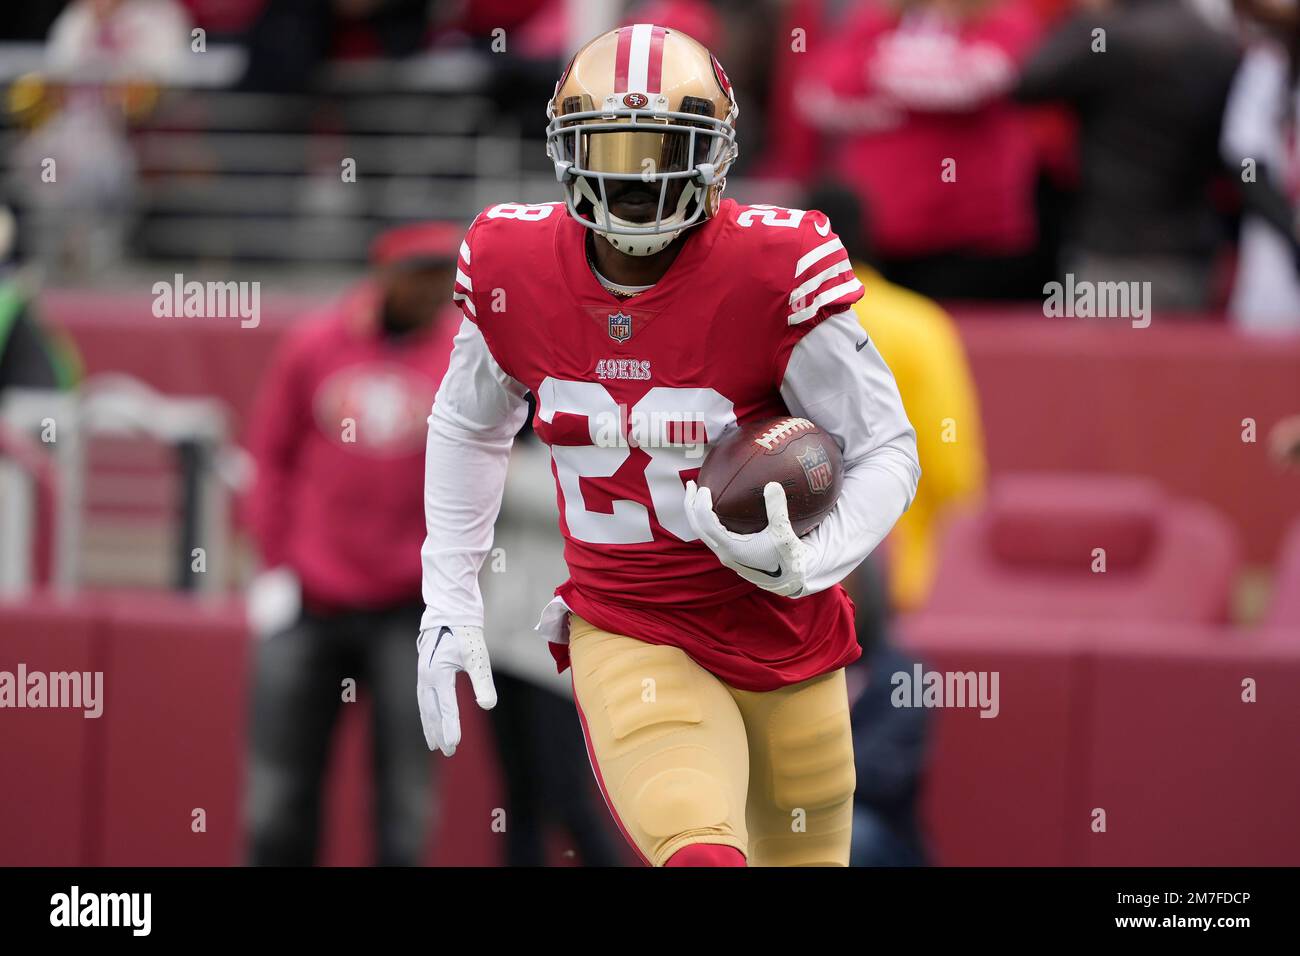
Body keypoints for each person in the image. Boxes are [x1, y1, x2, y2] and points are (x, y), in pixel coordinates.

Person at [417, 25, 920, 867]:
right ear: (564, 150)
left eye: (661, 148)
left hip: (786, 630)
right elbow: (469, 422)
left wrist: (812, 557)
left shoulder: (774, 266)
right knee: (699, 851)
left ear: (716, 153)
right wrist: (450, 593)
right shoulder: (512, 263)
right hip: (630, 622)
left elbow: (888, 450)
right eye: (609, 146)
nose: (634, 175)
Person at [243, 223, 461, 866]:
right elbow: (270, 456)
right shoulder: (317, 344)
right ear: (384, 274)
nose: (433, 287)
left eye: (441, 273)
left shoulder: (462, 354)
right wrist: (275, 562)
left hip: (411, 608)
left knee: (405, 805)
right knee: (278, 798)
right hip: (312, 598)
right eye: (419, 272)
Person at [806, 183, 986, 611]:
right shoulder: (920, 326)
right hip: (899, 580)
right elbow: (955, 473)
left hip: (793, 582)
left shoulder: (781, 318)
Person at [1015, 0, 1240, 312]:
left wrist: (1086, 19)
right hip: (1191, 253)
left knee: (1097, 359)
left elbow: (1029, 79)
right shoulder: (1213, 38)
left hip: (1114, 254)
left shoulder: (1111, 37)